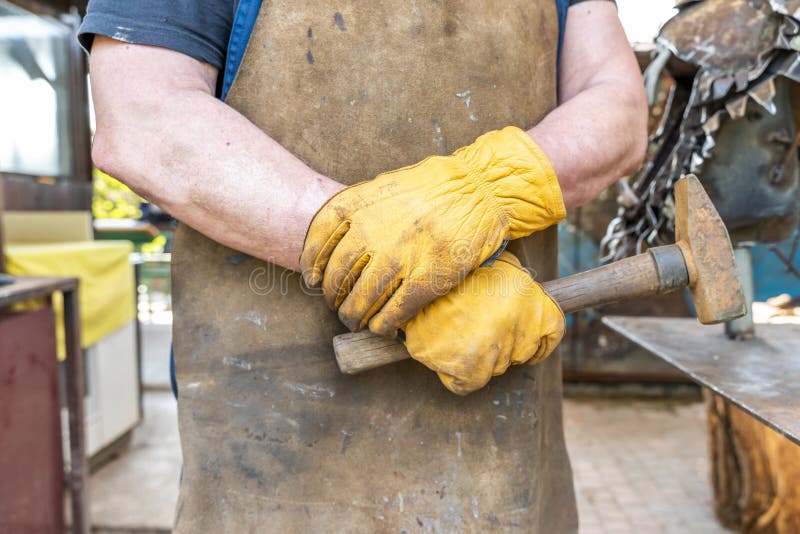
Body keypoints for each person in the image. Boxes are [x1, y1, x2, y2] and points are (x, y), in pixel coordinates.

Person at [80, 0, 646, 531]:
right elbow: (141, 114)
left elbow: (616, 104)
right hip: (279, 458)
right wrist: (360, 248)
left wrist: (491, 188)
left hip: (505, 449)